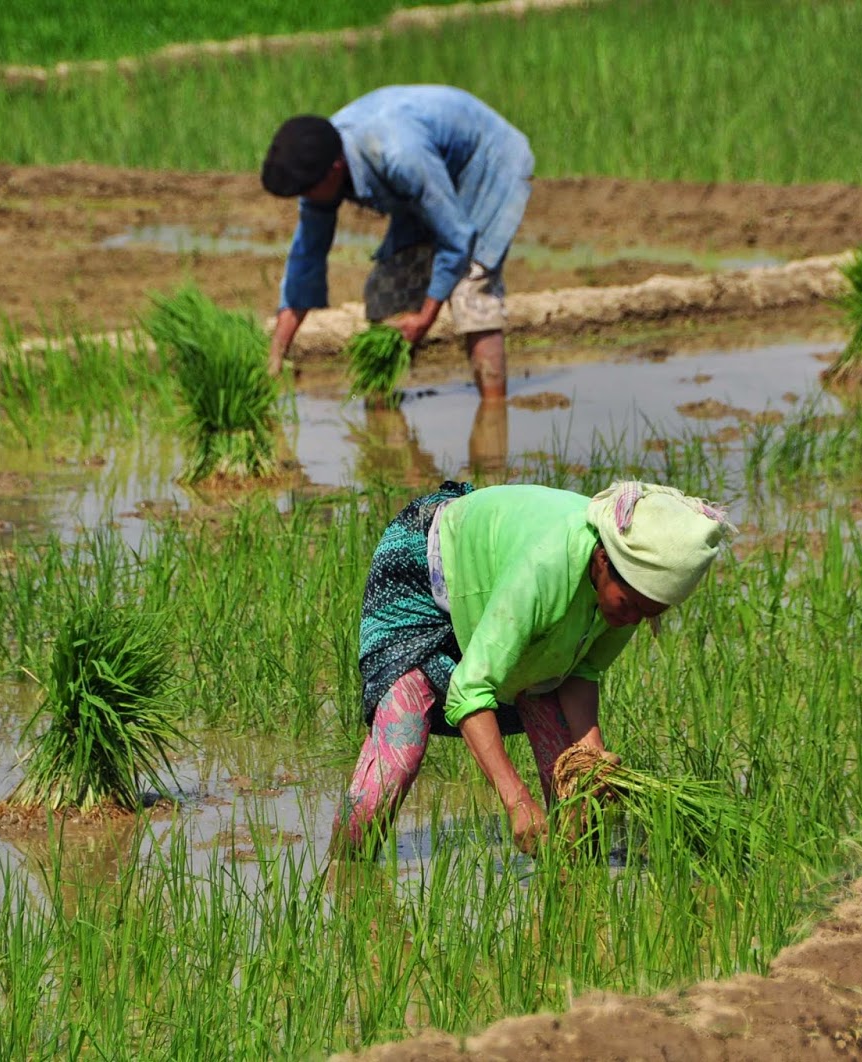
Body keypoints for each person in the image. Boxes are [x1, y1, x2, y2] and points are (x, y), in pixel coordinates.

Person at [334, 479, 732, 858]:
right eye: (629, 605)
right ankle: (344, 877)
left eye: (649, 614)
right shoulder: (548, 568)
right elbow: (469, 692)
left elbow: (579, 671)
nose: (632, 621)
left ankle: (572, 903)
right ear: (601, 561)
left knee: (577, 802)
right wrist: (516, 800)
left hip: (497, 599)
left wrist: (590, 753)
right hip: (423, 571)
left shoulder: (632, 595)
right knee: (401, 750)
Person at [260, 85, 534, 401]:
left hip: (484, 161)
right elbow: (306, 258)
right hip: (427, 177)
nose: (304, 199)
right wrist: (277, 353)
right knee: (385, 292)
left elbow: (457, 237)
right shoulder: (318, 161)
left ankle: (493, 410)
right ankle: (382, 411)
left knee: (471, 289)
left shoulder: (397, 154)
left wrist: (425, 317)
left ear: (334, 171)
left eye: (306, 191)